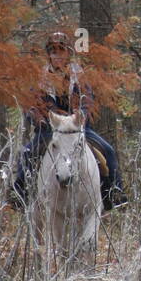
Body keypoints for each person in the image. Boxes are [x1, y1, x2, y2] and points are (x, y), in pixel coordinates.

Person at [11, 31, 127, 210]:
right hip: (49, 130)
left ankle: (113, 193)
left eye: (61, 50)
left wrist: (81, 115)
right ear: (49, 54)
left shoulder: (79, 75)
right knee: (27, 154)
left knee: (108, 152)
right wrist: (40, 120)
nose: (58, 55)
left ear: (68, 53)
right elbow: (30, 105)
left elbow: (88, 99)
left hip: (76, 129)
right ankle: (19, 196)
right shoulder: (40, 78)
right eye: (54, 51)